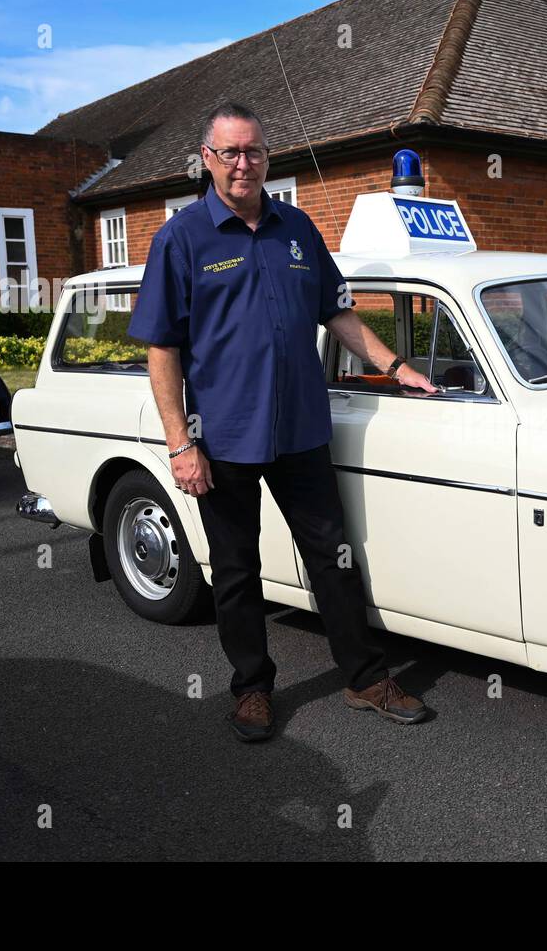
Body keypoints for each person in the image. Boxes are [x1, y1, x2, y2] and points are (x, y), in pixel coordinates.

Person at [128, 101, 437, 742]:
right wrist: (180, 443)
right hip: (226, 439)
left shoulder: (297, 229)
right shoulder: (180, 239)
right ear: (208, 160)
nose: (245, 165)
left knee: (335, 558)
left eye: (256, 152)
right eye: (231, 153)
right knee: (236, 571)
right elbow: (163, 347)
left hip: (300, 431)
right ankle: (252, 690)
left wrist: (395, 366)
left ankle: (364, 678)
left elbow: (338, 312)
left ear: (268, 157)